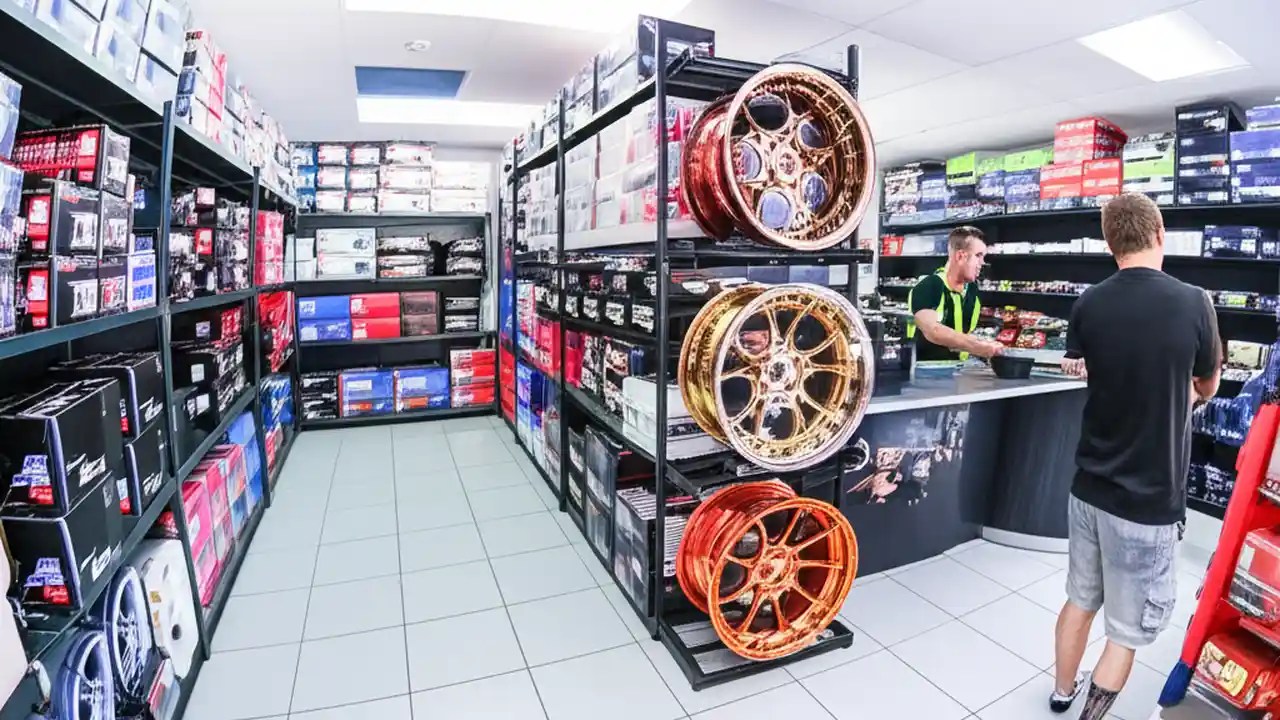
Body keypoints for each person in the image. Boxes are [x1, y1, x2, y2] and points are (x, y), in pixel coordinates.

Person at [1051, 193, 1222, 718]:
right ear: (1160, 231)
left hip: (1088, 487)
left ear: (1109, 243)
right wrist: (1183, 394)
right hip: (1146, 500)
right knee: (1125, 632)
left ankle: (1062, 693)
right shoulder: (1195, 302)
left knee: (1080, 598)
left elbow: (1080, 366)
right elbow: (1208, 383)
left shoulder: (1089, 302)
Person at [907, 226, 1004, 360]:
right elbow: (933, 331)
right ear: (960, 256)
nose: (982, 263)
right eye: (978, 256)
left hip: (959, 371)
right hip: (926, 372)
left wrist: (984, 344)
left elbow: (963, 333)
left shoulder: (972, 290)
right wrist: (978, 347)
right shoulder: (929, 286)